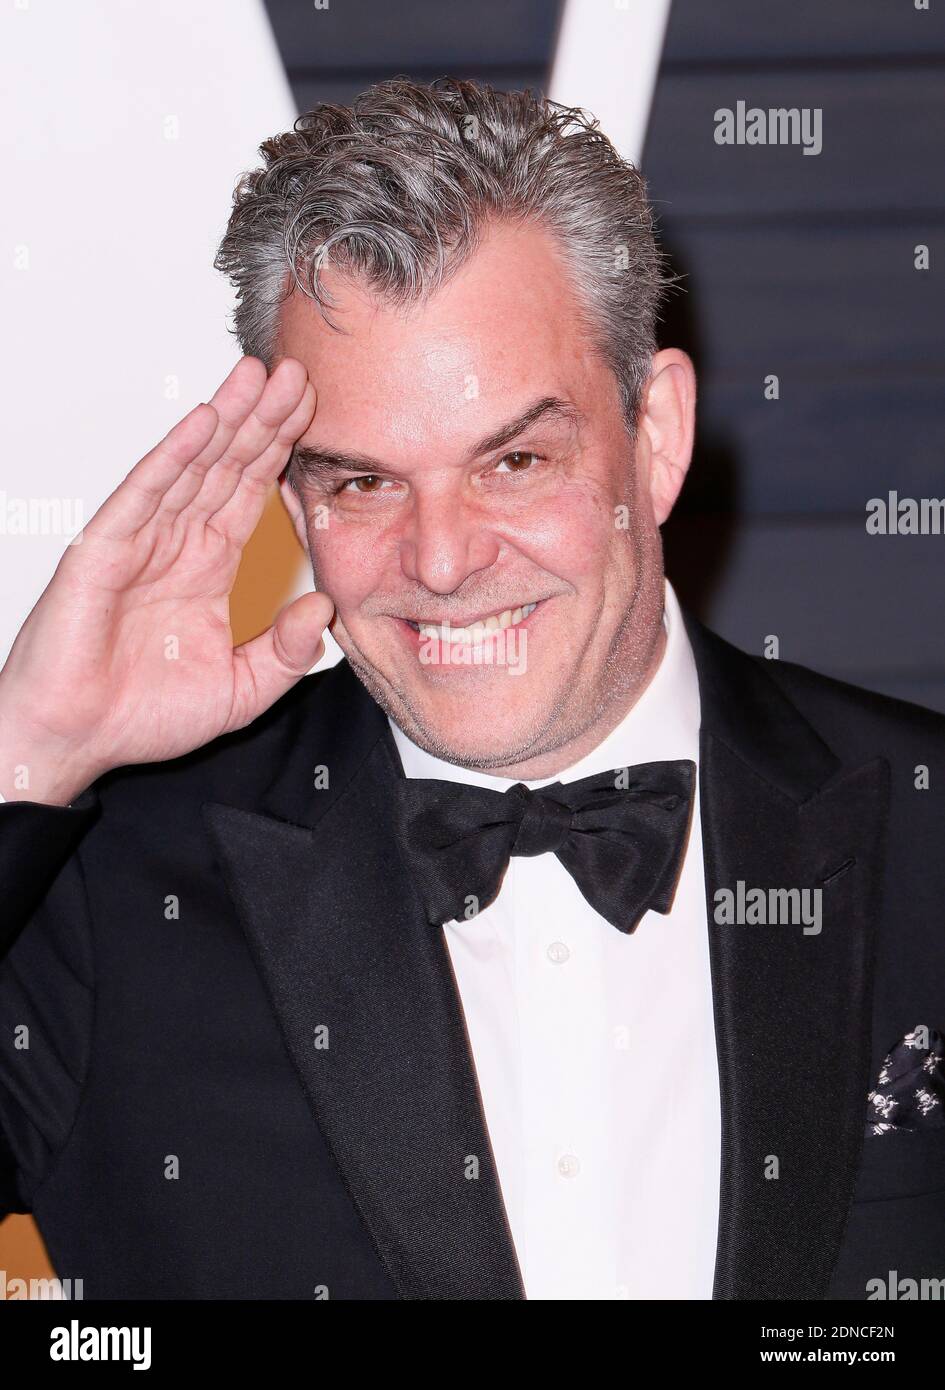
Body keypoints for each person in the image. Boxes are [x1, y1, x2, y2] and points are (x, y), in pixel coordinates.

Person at [0, 77, 943, 1302]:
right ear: (295, 504)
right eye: (362, 484)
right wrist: (25, 750)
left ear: (655, 436)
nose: (441, 563)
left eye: (515, 460)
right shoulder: (100, 893)